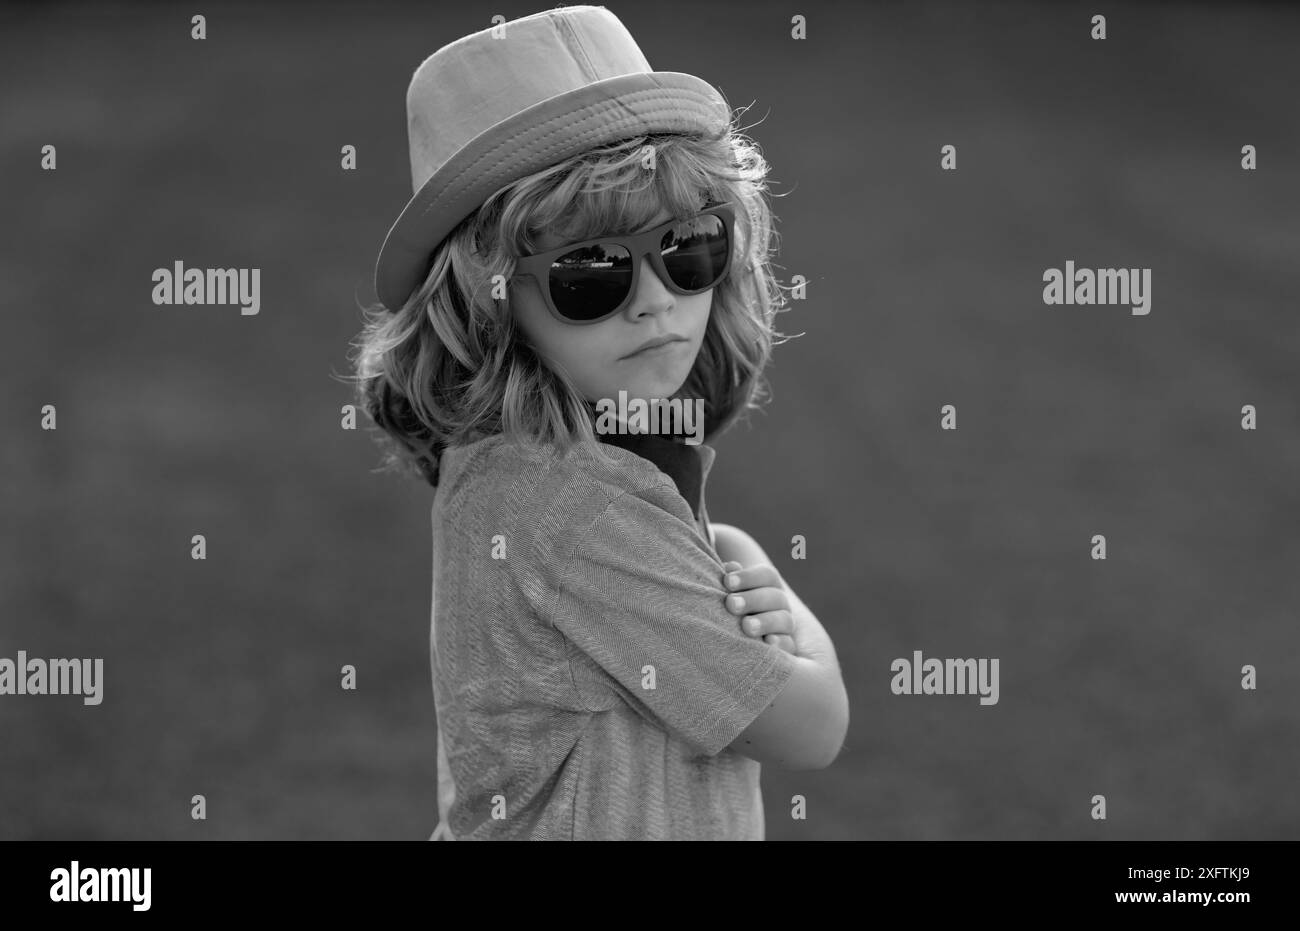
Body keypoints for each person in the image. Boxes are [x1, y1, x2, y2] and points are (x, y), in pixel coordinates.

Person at [349, 5, 848, 840]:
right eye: (592, 270)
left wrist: (721, 549)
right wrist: (777, 596)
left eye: (688, 246)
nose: (658, 299)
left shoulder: (541, 461)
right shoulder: (580, 507)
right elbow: (809, 724)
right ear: (485, 299)